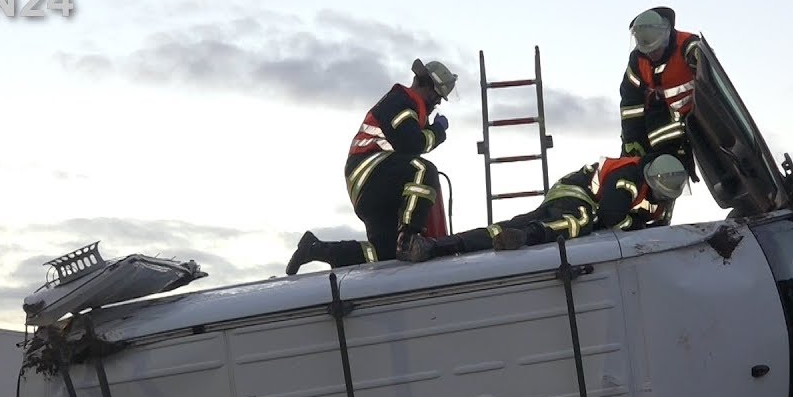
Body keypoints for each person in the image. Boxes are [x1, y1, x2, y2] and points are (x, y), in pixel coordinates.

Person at [284, 58, 458, 275]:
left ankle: (316, 249)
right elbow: (412, 144)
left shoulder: (407, 106)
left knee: (385, 255)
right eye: (437, 97)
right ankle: (409, 239)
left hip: (374, 186)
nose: (437, 104)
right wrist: (438, 132)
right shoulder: (401, 101)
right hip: (371, 173)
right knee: (425, 171)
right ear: (428, 88)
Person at [399, 154, 689, 262]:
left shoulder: (638, 173)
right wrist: (636, 224)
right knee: (581, 222)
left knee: (502, 228)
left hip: (563, 193)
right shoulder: (628, 179)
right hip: (576, 198)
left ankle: (438, 246)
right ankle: (529, 235)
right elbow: (612, 217)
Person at [619, 6, 702, 181]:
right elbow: (630, 103)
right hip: (661, 130)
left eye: (656, 49)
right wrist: (632, 140)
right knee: (645, 172)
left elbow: (706, 68)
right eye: (648, 51)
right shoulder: (638, 60)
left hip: (699, 121)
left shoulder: (688, 45)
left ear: (666, 36)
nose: (653, 54)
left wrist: (699, 58)